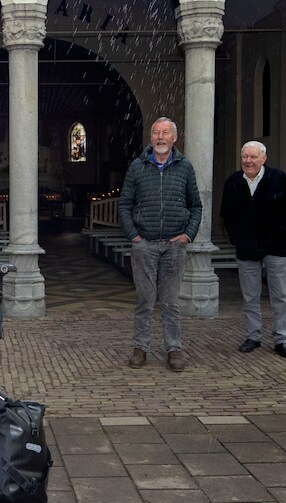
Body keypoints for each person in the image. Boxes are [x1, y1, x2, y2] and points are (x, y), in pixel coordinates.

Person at [118, 117, 202, 372]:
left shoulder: (185, 167)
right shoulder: (137, 166)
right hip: (145, 244)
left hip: (174, 245)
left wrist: (188, 234)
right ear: (151, 137)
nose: (160, 137)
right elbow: (125, 204)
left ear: (175, 138)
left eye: (166, 132)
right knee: (144, 300)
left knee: (170, 301)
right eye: (156, 132)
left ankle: (173, 349)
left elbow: (195, 205)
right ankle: (140, 348)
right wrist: (134, 236)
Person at [220, 141, 286, 359]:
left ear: (264, 158)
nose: (248, 161)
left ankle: (281, 340)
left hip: (276, 248)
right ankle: (252, 336)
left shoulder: (279, 179)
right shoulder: (233, 182)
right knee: (250, 296)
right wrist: (237, 237)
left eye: (253, 157)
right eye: (245, 157)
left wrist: (281, 233)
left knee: (280, 296)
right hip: (247, 249)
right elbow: (226, 214)